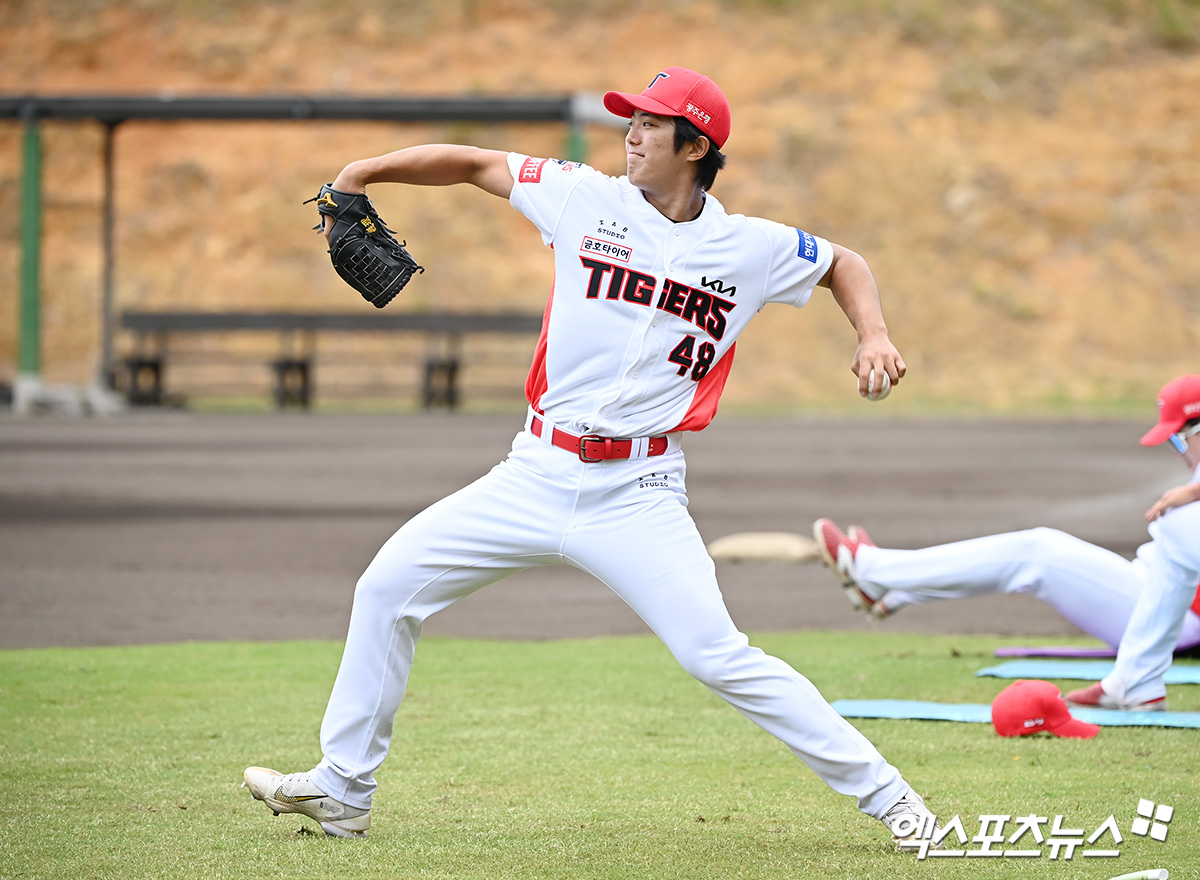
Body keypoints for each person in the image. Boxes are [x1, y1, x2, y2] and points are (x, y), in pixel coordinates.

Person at [242, 66, 938, 847]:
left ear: (696, 146)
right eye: (630, 120)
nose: (631, 135)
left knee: (717, 657)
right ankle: (344, 788)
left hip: (639, 491)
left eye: (650, 124)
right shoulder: (581, 196)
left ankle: (895, 800)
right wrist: (363, 171)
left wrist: (873, 333)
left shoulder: (750, 247)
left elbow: (844, 262)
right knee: (385, 590)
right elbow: (472, 163)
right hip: (532, 472)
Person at [814, 373, 1200, 712]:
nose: (1178, 455)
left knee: (1037, 553)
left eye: (1178, 441)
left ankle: (874, 571)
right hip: (1153, 590)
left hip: (1182, 618)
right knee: (1038, 552)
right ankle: (891, 584)